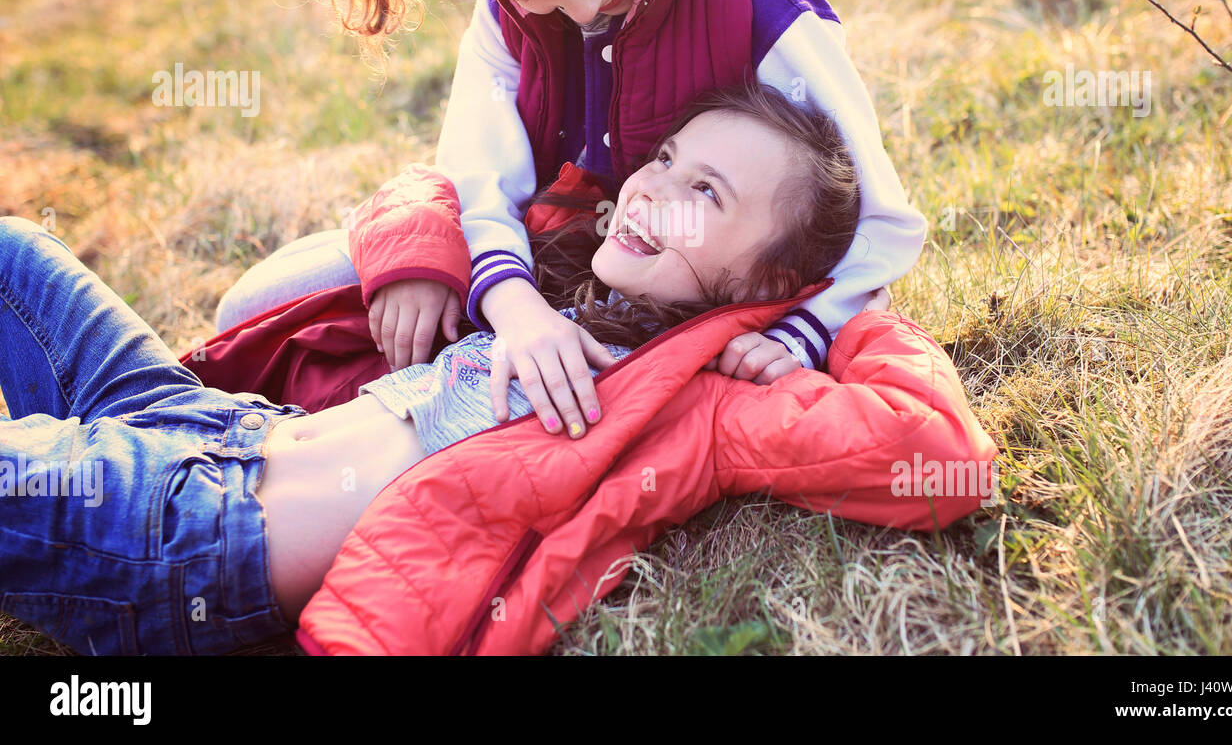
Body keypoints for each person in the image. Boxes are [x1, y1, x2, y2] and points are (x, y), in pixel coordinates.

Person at [0, 81, 863, 654]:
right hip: (213, 424)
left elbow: (914, 442)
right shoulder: (551, 269)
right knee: (14, 251)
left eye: (706, 193)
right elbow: (436, 187)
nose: (652, 190)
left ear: (770, 281)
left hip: (196, 533)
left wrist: (807, 334)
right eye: (667, 158)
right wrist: (422, 262)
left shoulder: (696, 393)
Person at [214, 0, 927, 434]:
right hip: (532, 261)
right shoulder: (505, 10)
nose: (582, 7)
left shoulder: (764, 7)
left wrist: (800, 334)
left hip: (641, 292)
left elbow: (880, 219)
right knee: (250, 312)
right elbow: (476, 177)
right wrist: (513, 307)